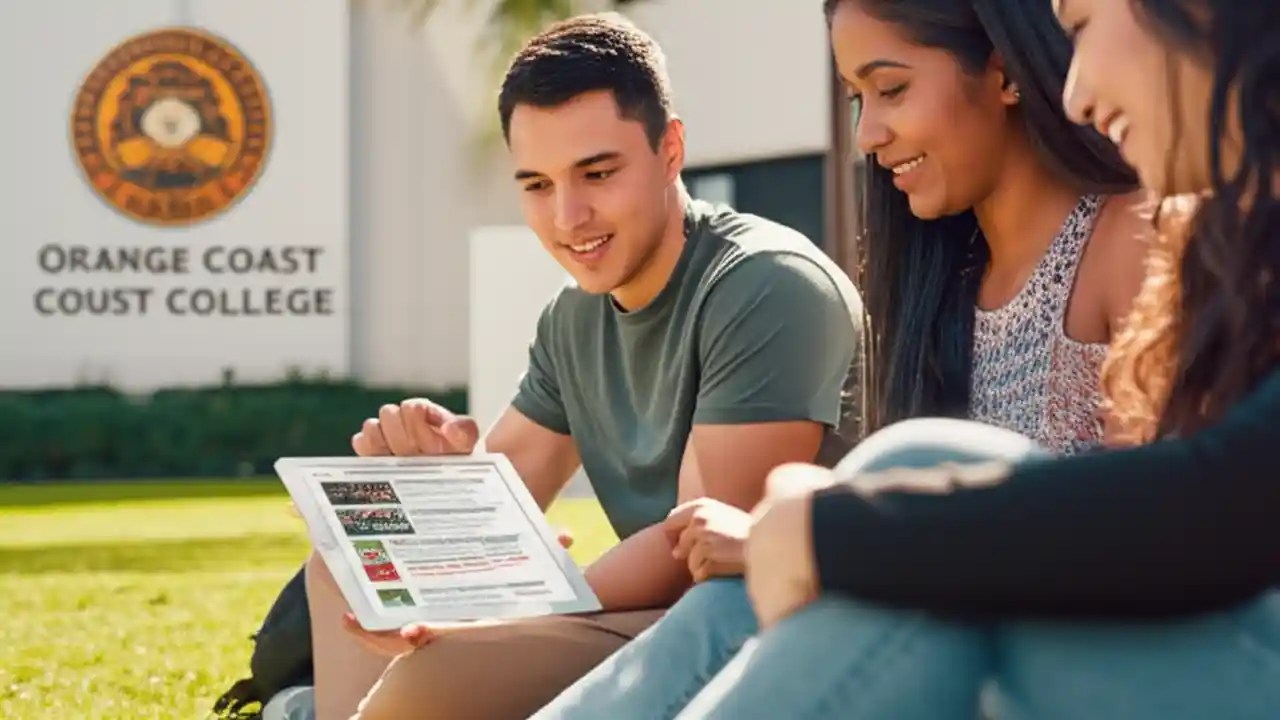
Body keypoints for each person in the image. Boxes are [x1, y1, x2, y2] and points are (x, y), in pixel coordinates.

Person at [533, 0, 1151, 716]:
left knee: (882, 487)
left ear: (1004, 73)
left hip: (1088, 665)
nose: (868, 135)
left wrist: (833, 538)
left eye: (891, 90)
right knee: (726, 608)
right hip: (951, 648)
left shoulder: (1125, 241)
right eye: (858, 99)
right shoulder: (941, 294)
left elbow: (1168, 530)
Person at [667, 1, 1280, 718]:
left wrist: (832, 531)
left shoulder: (1125, 243)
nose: (1076, 92)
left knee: (918, 525)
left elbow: (1222, 507)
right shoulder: (1236, 252)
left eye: (1080, 26)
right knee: (894, 491)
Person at [301, 12, 865, 720]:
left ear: (670, 149)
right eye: (537, 185)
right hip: (637, 617)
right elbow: (503, 492)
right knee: (342, 567)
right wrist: (431, 486)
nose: (569, 217)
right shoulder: (574, 317)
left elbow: (691, 544)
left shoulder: (768, 284)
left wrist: (506, 618)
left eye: (597, 173)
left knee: (432, 678)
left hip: (742, 615)